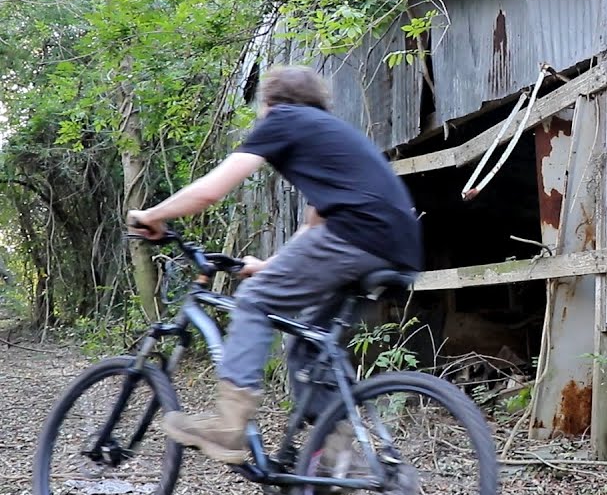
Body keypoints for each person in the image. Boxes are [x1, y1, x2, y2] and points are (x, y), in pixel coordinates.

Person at [127, 64, 424, 465]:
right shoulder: (329, 138)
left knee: (254, 301)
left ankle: (229, 425)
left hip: (356, 236)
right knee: (307, 339)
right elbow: (313, 226)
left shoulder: (284, 119)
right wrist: (268, 266)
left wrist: (154, 215)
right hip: (397, 245)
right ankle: (336, 459)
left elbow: (211, 191)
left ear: (269, 103)